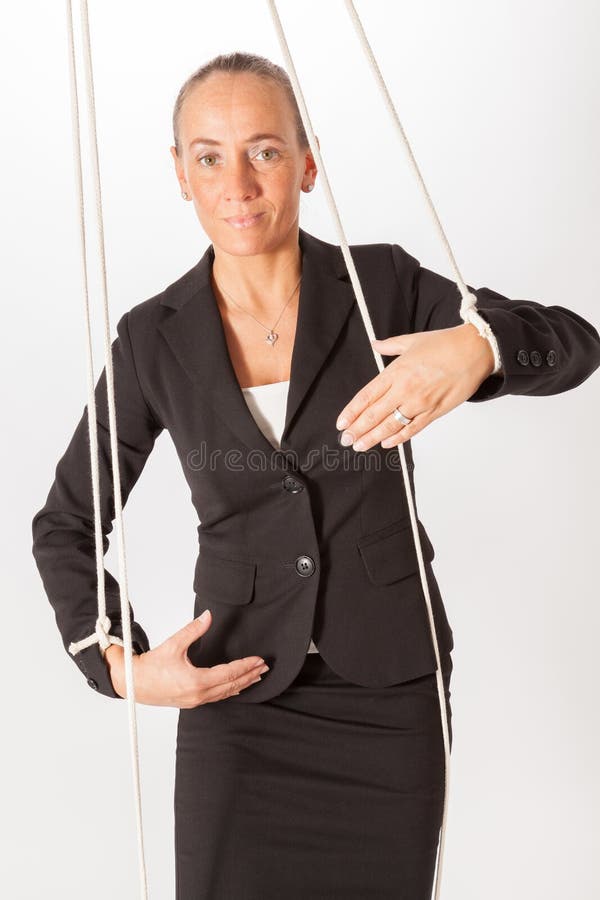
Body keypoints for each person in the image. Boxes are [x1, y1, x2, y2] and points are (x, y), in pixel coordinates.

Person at [31, 51, 600, 899]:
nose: (239, 182)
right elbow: (67, 523)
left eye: (264, 150)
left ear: (307, 160)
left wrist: (476, 346)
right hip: (238, 700)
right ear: (180, 174)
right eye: (209, 155)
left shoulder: (381, 285)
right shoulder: (153, 336)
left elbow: (574, 345)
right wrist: (118, 662)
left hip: (389, 698)